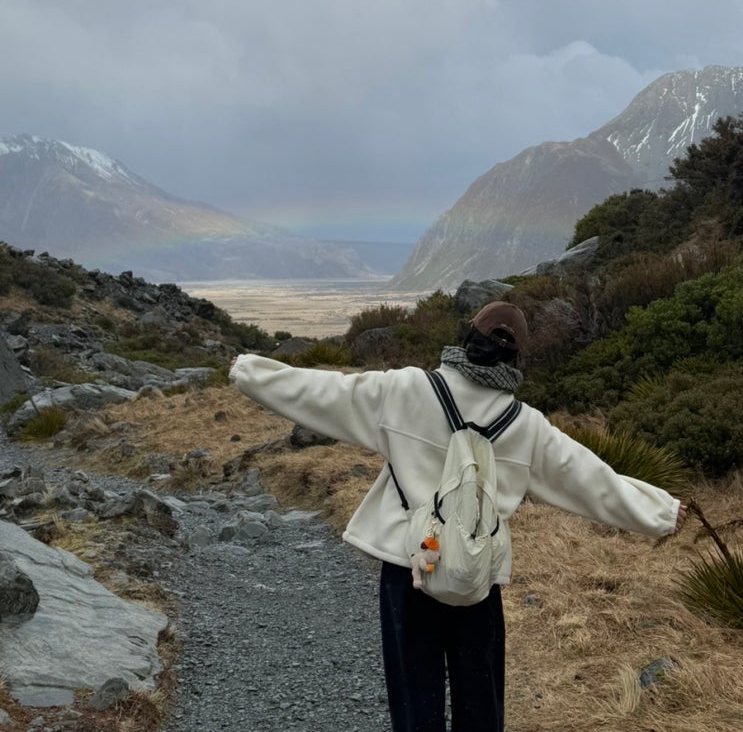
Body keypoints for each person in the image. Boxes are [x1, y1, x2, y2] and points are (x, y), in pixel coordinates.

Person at [229, 301, 687, 732]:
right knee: (480, 695)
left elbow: (321, 391)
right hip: (477, 573)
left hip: (408, 565)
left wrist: (249, 370)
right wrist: (662, 512)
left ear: (467, 337)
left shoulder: (406, 389)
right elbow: (591, 479)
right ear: (516, 357)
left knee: (414, 694)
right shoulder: (526, 425)